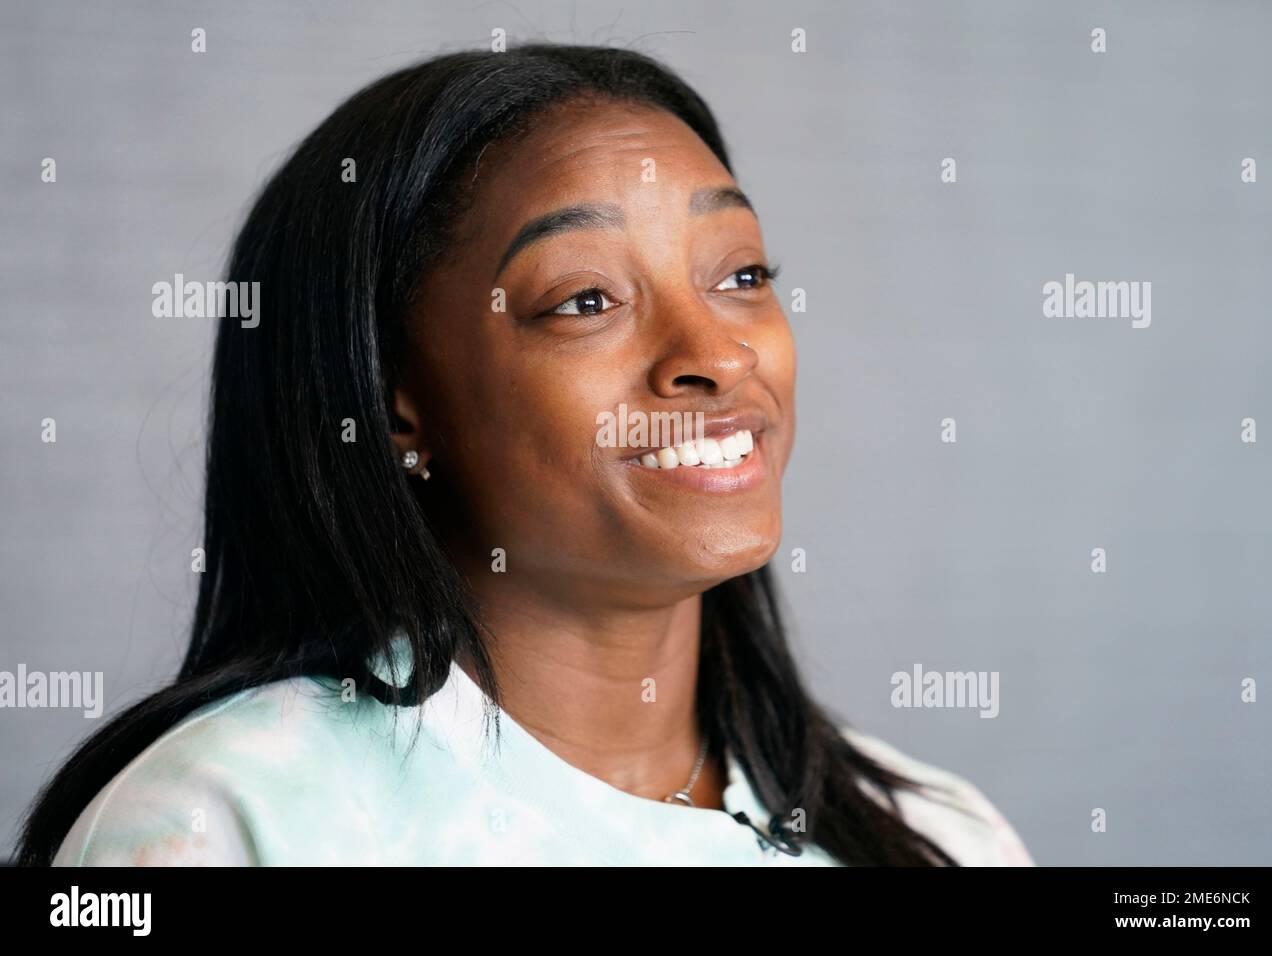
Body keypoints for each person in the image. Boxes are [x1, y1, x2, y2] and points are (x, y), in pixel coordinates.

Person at [21, 42, 1034, 867]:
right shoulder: (221, 823)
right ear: (396, 407)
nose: (716, 354)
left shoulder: (942, 837)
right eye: (585, 300)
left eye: (740, 274)